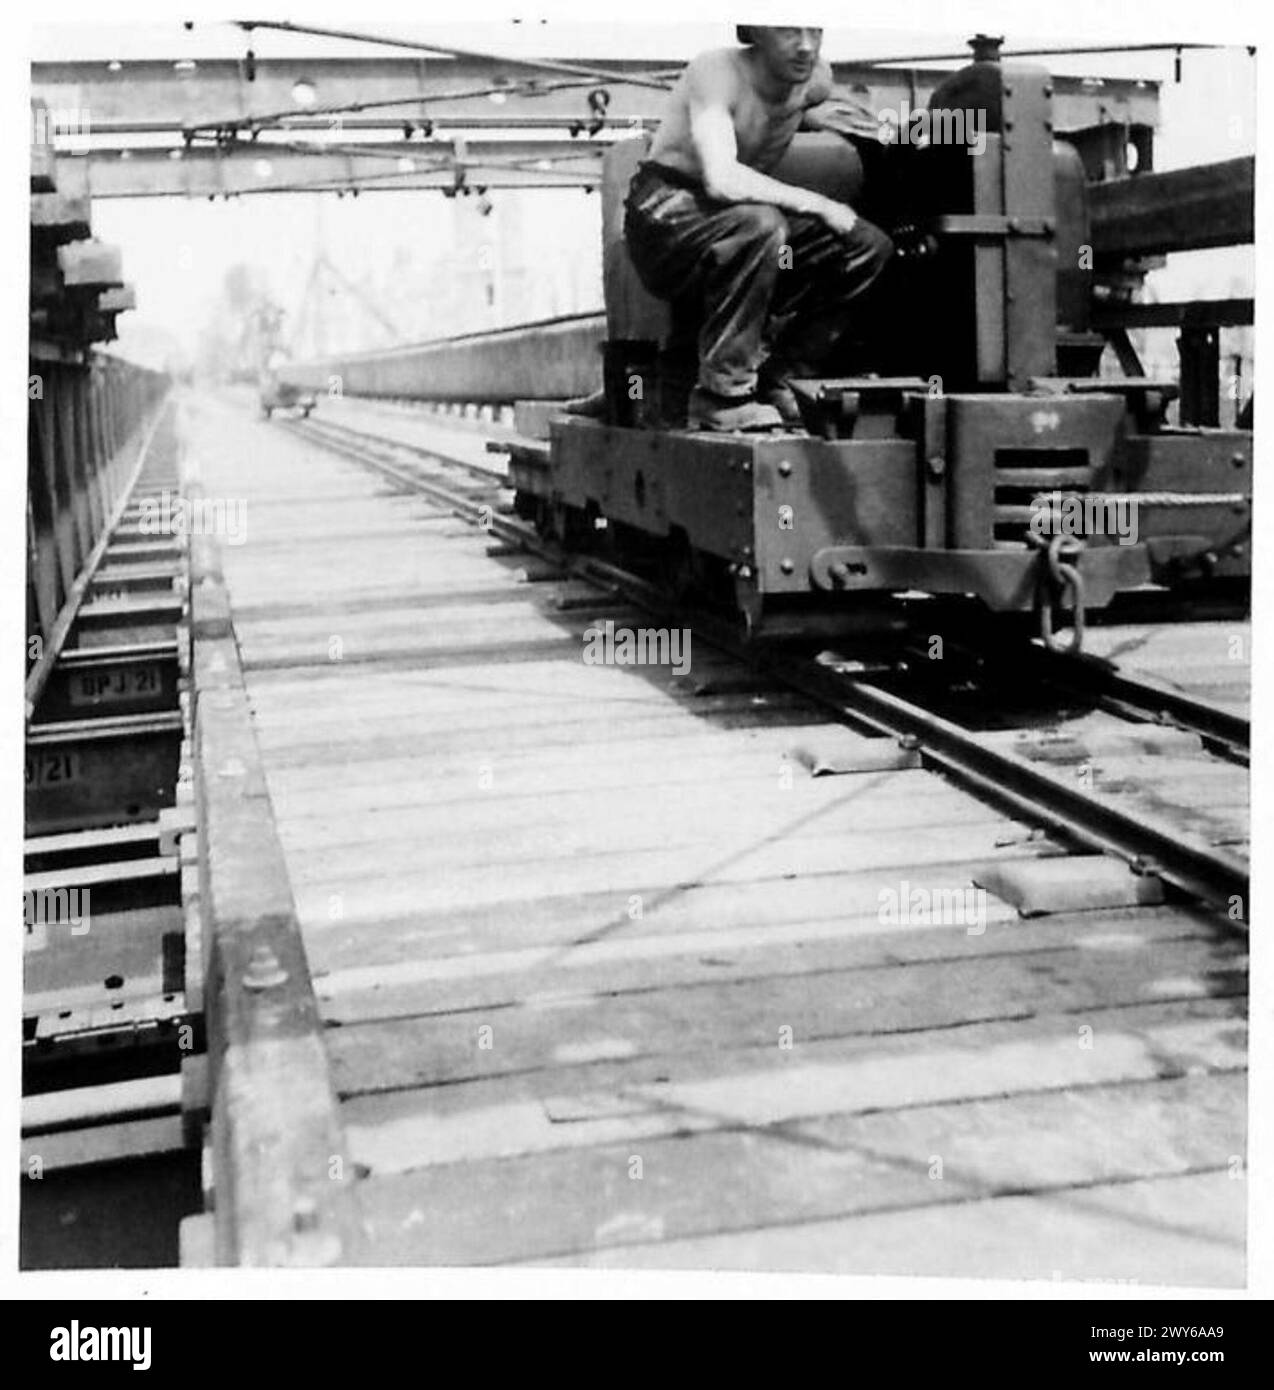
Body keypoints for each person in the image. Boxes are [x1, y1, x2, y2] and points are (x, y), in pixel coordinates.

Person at [624, 25, 893, 431]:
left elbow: (825, 114)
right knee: (762, 226)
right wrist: (819, 204)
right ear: (756, 34)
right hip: (663, 212)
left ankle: (783, 375)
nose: (805, 46)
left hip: (734, 216)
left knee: (865, 246)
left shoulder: (815, 80)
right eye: (788, 32)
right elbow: (722, 179)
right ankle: (722, 397)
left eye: (813, 31)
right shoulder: (716, 72)